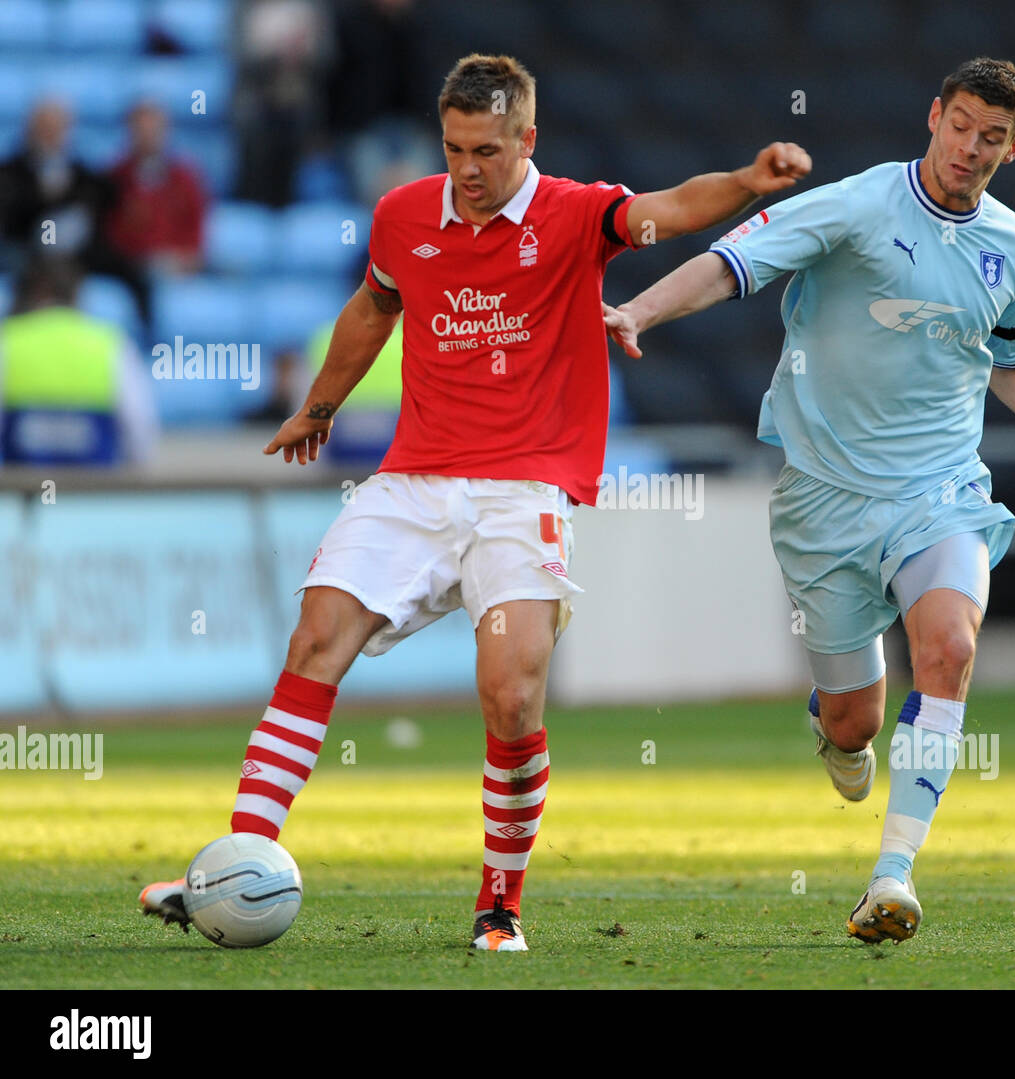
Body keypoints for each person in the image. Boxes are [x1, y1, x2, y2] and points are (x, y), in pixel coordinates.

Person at [139, 53, 811, 951]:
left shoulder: (575, 214)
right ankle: (237, 865)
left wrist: (745, 182)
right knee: (314, 639)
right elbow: (374, 309)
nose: (467, 168)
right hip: (414, 481)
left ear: (527, 140)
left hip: (522, 490)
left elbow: (668, 210)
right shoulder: (404, 214)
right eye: (454, 148)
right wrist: (322, 404)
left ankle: (500, 904)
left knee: (510, 693)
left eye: (487, 149)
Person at [602, 57, 1015, 945]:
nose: (970, 148)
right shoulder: (856, 204)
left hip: (939, 492)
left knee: (947, 648)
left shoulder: (1014, 248)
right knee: (856, 719)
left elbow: (1014, 365)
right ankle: (838, 729)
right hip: (824, 500)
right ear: (934, 116)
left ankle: (893, 876)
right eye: (961, 125)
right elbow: (731, 264)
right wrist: (637, 312)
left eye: (993, 137)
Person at [0, 257, 157, 466]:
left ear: (31, 292)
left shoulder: (7, 340)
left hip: (22, 492)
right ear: (76, 293)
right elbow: (140, 429)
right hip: (95, 492)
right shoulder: (111, 343)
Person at [104, 101, 207, 276]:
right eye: (141, 131)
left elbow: (195, 228)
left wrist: (184, 258)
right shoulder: (115, 178)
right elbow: (109, 233)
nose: (147, 137)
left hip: (177, 268)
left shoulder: (185, 178)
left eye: (153, 131)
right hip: (130, 269)